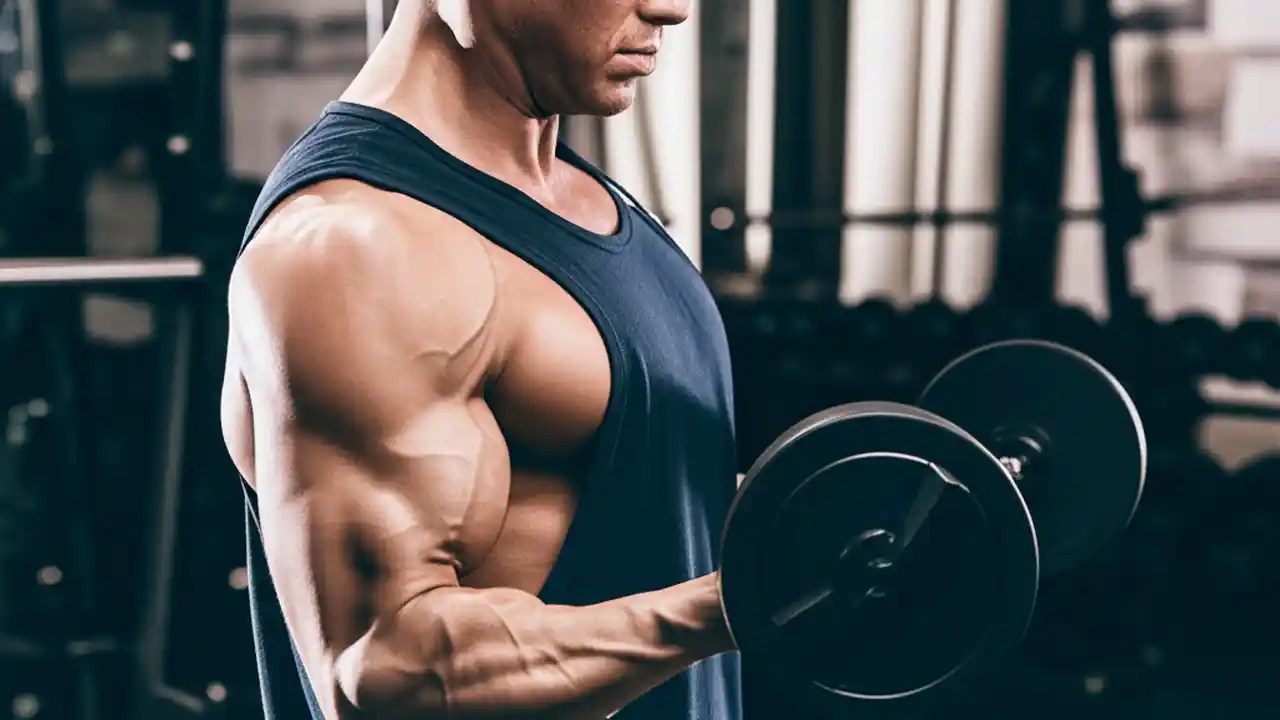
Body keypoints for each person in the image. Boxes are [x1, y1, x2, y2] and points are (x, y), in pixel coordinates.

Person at [220, 1, 742, 718]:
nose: (671, 8)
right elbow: (387, 667)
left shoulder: (578, 196)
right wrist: (734, 602)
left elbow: (641, 503)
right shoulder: (359, 247)